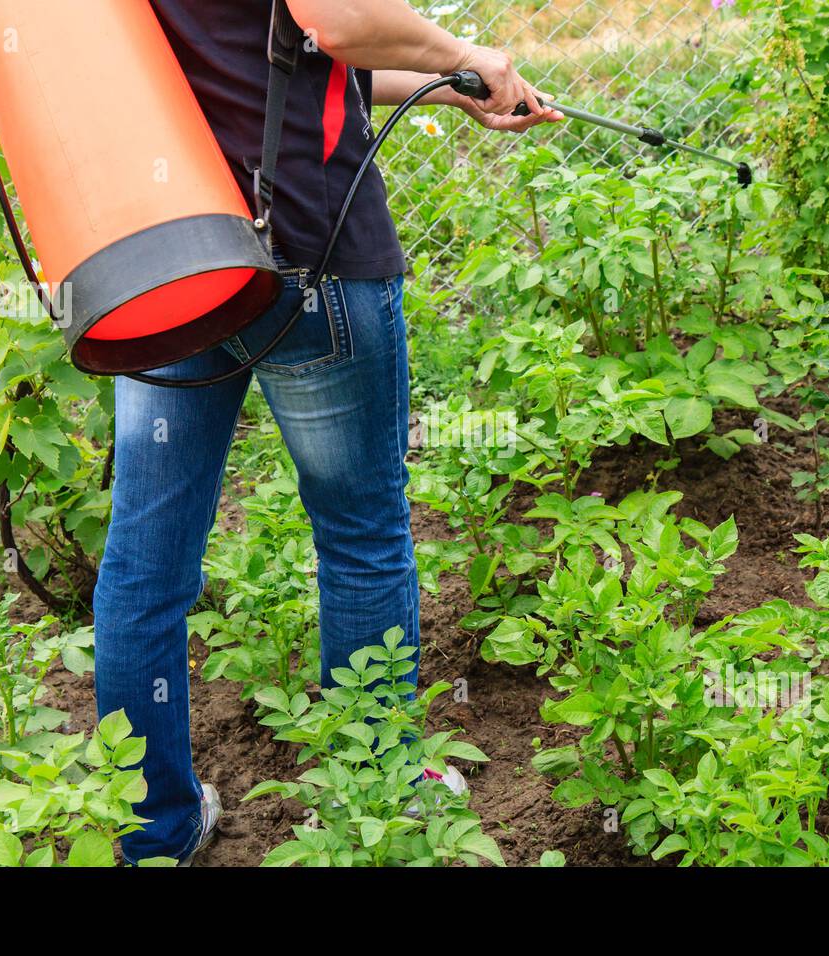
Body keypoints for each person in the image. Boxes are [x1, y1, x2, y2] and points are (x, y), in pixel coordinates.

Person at [91, 0, 562, 865]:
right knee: (361, 535)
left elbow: (269, 50)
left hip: (162, 260)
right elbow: (340, 19)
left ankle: (153, 833)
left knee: (144, 565)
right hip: (308, 250)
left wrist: (441, 85)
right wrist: (471, 53)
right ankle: (374, 794)